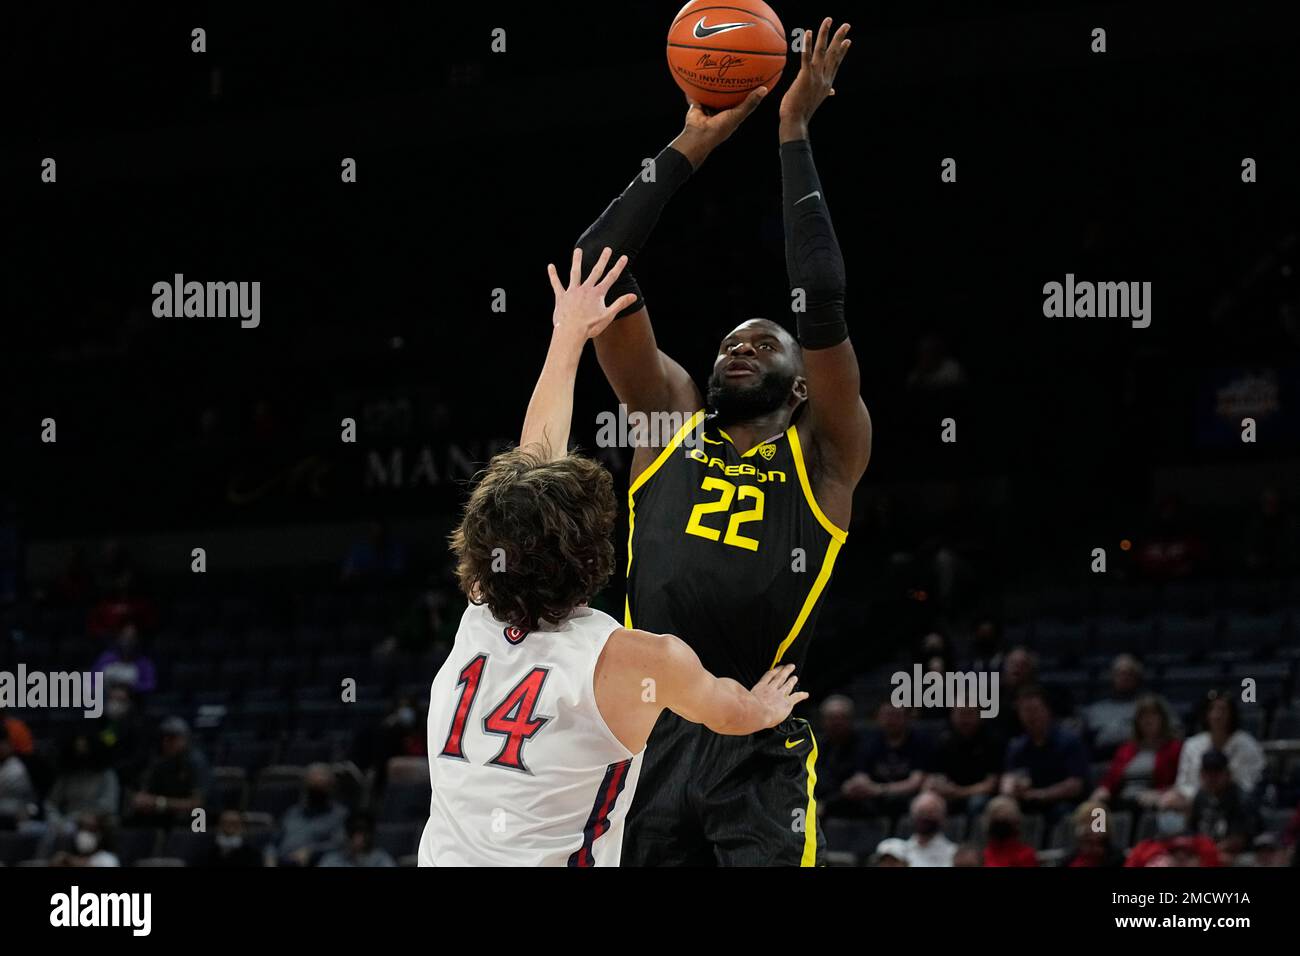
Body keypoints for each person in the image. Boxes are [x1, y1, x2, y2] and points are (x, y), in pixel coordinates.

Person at [577, 17, 871, 867]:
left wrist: (792, 134)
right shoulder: (667, 420)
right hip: (645, 732)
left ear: (802, 381)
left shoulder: (826, 455)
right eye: (729, 342)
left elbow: (820, 295)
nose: (738, 346)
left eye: (762, 342)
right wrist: (691, 141)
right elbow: (598, 262)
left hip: (759, 741)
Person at [418, 248, 808, 868]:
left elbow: (528, 473)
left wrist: (566, 337)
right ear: (597, 554)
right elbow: (732, 715)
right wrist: (764, 707)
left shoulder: (478, 615)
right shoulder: (634, 658)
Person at [1163, 691, 1265, 812]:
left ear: (1232, 714)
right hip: (1194, 804)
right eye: (1212, 709)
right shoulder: (1192, 745)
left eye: (1223, 710)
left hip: (1234, 805)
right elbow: (1184, 784)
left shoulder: (1248, 745)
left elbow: (1248, 785)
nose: (1217, 715)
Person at [1002, 686, 1088, 827]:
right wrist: (1010, 790)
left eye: (1035, 710)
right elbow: (1008, 780)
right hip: (1028, 803)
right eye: (1025, 711)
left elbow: (1076, 786)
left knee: (1061, 812)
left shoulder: (1069, 741)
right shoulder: (1016, 746)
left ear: (1047, 711)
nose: (1030, 716)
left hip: (1064, 804)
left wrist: (1041, 794)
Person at [836, 702, 929, 819]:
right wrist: (857, 785)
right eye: (886, 715)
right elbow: (861, 776)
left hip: (909, 797)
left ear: (907, 718)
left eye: (896, 715)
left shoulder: (920, 742)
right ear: (878, 718)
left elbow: (915, 782)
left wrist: (879, 789)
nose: (891, 720)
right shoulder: (868, 743)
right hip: (875, 798)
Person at [1090, 695, 1181, 813]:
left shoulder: (1174, 748)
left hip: (1154, 803)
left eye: (1153, 715)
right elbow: (1111, 779)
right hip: (1122, 800)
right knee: (1096, 811)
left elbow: (1180, 783)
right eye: (1143, 716)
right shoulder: (1126, 749)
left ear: (1162, 719)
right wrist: (1103, 790)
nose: (1148, 720)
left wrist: (1160, 793)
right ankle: (1098, 831)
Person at [129, 716, 211, 827]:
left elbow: (197, 804)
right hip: (167, 815)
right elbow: (147, 793)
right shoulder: (160, 761)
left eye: (172, 738)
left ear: (185, 739)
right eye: (164, 738)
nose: (166, 742)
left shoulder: (196, 762)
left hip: (197, 819)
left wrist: (159, 802)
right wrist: (142, 800)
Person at [926, 704, 1003, 817]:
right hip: (950, 792)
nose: (965, 720)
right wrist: (942, 786)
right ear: (952, 716)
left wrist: (960, 792)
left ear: (979, 716)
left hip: (979, 793)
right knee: (928, 802)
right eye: (961, 714)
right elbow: (935, 777)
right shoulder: (943, 740)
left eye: (969, 714)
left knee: (977, 803)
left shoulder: (991, 740)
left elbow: (991, 784)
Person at [1187, 750, 1257, 864]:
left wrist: (1210, 851)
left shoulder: (1240, 799)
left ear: (1228, 774)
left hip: (1238, 854)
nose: (1211, 778)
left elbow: (1239, 840)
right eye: (1207, 773)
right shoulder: (1201, 796)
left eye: (1216, 773)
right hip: (1206, 851)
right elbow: (1192, 830)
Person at [277, 764, 349, 867]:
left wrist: (311, 851)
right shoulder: (292, 813)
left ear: (330, 787)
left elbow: (339, 844)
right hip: (280, 861)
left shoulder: (339, 815)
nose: (316, 792)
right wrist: (269, 857)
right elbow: (273, 841)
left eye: (321, 787)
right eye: (312, 787)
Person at [1082, 654, 1148, 757]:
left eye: (1129, 674)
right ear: (1112, 677)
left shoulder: (1150, 706)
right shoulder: (1095, 710)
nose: (1124, 678)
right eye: (1120, 673)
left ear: (1137, 678)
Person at [319, 811, 395, 868]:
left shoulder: (381, 860)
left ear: (371, 834)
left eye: (363, 831)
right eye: (353, 831)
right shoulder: (332, 860)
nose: (358, 837)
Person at [902, 791, 957, 867]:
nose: (925, 817)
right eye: (921, 812)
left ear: (942, 818)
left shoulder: (953, 853)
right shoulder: (900, 851)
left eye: (930, 813)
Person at [981, 796, 1038, 867]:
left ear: (1016, 822)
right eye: (996, 817)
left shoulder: (1026, 855)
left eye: (1006, 818)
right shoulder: (983, 855)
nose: (1001, 820)